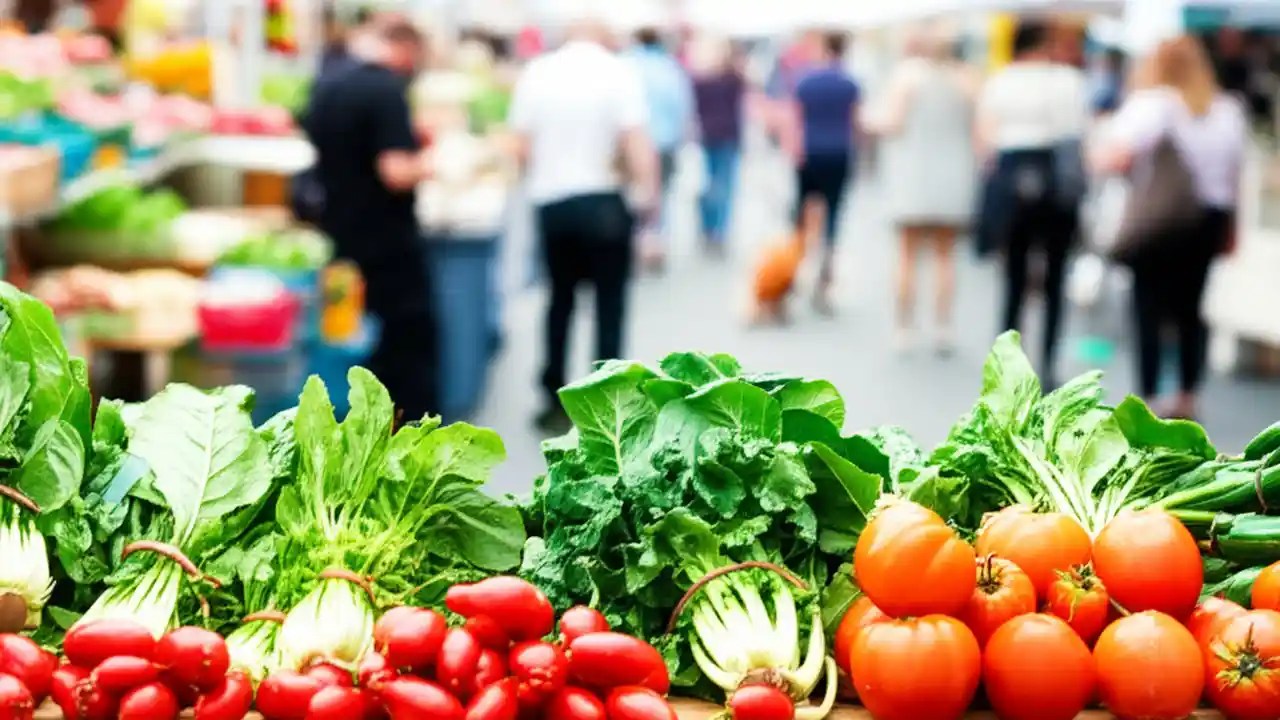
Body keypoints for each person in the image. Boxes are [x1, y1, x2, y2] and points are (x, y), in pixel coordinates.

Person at [508, 19, 660, 431]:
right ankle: (607, 403)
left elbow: (520, 148)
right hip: (605, 200)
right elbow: (636, 143)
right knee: (609, 304)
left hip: (553, 203)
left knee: (559, 300)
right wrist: (648, 201)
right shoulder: (618, 72)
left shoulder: (537, 73)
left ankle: (553, 394)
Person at [1094, 37, 1246, 420]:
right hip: (1209, 220)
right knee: (1191, 309)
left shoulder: (1153, 105)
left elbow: (1114, 156)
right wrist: (1232, 228)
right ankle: (1187, 394)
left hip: (1159, 220)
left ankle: (1147, 393)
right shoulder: (1227, 109)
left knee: (1147, 307)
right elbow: (1234, 176)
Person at [303, 16, 438, 421]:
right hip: (388, 244)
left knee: (352, 349)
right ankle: (409, 437)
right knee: (404, 353)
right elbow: (395, 171)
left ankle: (361, 436)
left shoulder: (327, 84)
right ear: (406, 47)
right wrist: (434, 162)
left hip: (340, 239)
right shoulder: (385, 88)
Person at [977, 21, 1089, 384]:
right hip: (1056, 179)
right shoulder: (1067, 81)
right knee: (1056, 276)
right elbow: (1076, 133)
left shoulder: (1000, 80)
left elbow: (986, 139)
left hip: (1011, 176)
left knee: (1013, 274)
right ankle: (1049, 362)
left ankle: (1007, 362)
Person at [871, 29, 977, 354]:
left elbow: (892, 123)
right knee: (946, 255)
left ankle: (905, 327)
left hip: (913, 176)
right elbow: (980, 129)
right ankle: (943, 327)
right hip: (954, 175)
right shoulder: (968, 81)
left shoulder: (907, 77)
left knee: (907, 254)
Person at [793, 32, 860, 314]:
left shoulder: (805, 81)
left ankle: (795, 272)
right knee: (833, 215)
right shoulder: (850, 83)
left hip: (810, 153)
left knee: (803, 215)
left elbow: (795, 120)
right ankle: (824, 278)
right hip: (839, 153)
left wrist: (795, 150)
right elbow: (856, 123)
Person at [625, 28, 694, 271]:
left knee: (633, 195)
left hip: (633, 143)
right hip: (665, 142)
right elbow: (683, 107)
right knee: (661, 195)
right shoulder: (670, 68)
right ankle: (656, 243)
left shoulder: (626, 65)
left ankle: (636, 243)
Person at [691, 37, 746, 253]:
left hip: (710, 135)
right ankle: (718, 230)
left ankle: (710, 228)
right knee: (723, 184)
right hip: (726, 136)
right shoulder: (732, 79)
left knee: (711, 182)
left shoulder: (701, 81)